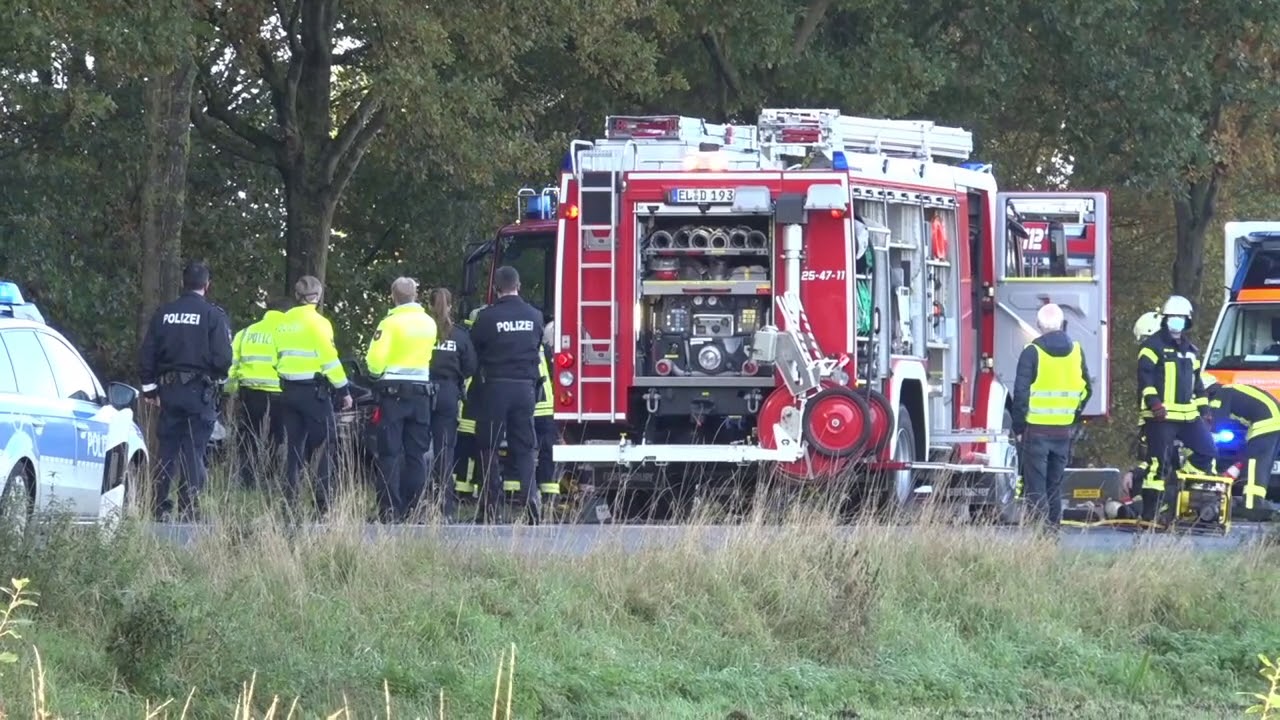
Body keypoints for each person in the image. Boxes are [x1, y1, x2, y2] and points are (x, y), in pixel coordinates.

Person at [137, 260, 233, 522]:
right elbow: (224, 358)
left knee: (166, 449)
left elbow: (147, 355)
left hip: (168, 391)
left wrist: (150, 390)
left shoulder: (164, 313)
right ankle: (189, 509)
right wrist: (215, 379)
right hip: (199, 392)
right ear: (207, 286)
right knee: (194, 450)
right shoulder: (213, 316)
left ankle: (157, 507)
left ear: (183, 283)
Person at [469, 266, 545, 523]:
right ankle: (531, 503)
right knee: (524, 447)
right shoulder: (534, 316)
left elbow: (474, 352)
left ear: (495, 288)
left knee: (488, 445)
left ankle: (491, 510)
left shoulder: (487, 318)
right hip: (525, 388)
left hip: (496, 388)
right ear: (519, 285)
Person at [273, 275, 352, 518]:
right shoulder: (320, 323)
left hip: (287, 391)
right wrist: (344, 390)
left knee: (293, 449)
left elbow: (277, 354)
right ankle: (323, 504)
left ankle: (289, 503)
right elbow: (329, 359)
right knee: (324, 446)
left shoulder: (283, 323)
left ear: (297, 297)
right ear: (317, 297)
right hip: (313, 393)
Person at [1135, 294, 1217, 522]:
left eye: (1181, 318)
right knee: (1156, 467)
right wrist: (1155, 404)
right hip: (1161, 418)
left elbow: (1197, 385)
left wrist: (1204, 411)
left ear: (1187, 321)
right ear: (1165, 319)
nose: (1177, 321)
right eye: (1173, 317)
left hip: (1187, 417)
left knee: (1207, 451)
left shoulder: (1191, 350)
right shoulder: (1152, 347)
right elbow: (1145, 379)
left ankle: (1177, 487)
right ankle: (1149, 516)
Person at [1010, 302, 1091, 531]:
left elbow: (1021, 394)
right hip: (1062, 433)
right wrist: (1072, 415)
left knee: (1036, 487)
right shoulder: (1076, 351)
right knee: (1054, 486)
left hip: (1035, 431)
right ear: (1061, 323)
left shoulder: (1032, 352)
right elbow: (1086, 390)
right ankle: (1053, 534)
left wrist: (1018, 427)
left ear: (1038, 325)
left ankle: (1040, 537)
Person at [365, 277, 438, 523]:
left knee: (389, 453)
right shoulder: (429, 323)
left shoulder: (390, 323)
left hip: (393, 395)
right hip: (421, 395)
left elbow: (374, 361)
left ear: (393, 296)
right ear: (416, 295)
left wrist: (376, 376)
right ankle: (415, 510)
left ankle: (389, 511)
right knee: (416, 454)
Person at [226, 297, 293, 490]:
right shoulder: (287, 333)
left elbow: (232, 365)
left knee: (248, 437)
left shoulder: (246, 332)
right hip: (279, 393)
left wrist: (230, 391)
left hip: (250, 393)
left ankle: (247, 480)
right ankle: (269, 479)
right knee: (277, 438)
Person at [425, 288, 477, 521]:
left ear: (429, 306)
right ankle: (444, 507)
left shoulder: (422, 332)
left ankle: (415, 503)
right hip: (448, 393)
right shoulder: (461, 335)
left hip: (421, 392)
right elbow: (470, 367)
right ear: (451, 306)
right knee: (445, 451)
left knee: (416, 449)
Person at [1202, 373, 1280, 516]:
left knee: (1254, 463)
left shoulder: (1218, 396)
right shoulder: (1229, 390)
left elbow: (1214, 425)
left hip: (1265, 422)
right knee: (1259, 463)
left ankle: (1251, 505)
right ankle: (1255, 502)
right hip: (1272, 420)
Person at [533, 326, 561, 511]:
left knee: (525, 453)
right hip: (547, 410)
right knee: (548, 454)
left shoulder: (524, 349)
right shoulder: (548, 353)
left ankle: (519, 494)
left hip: (528, 410)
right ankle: (549, 497)